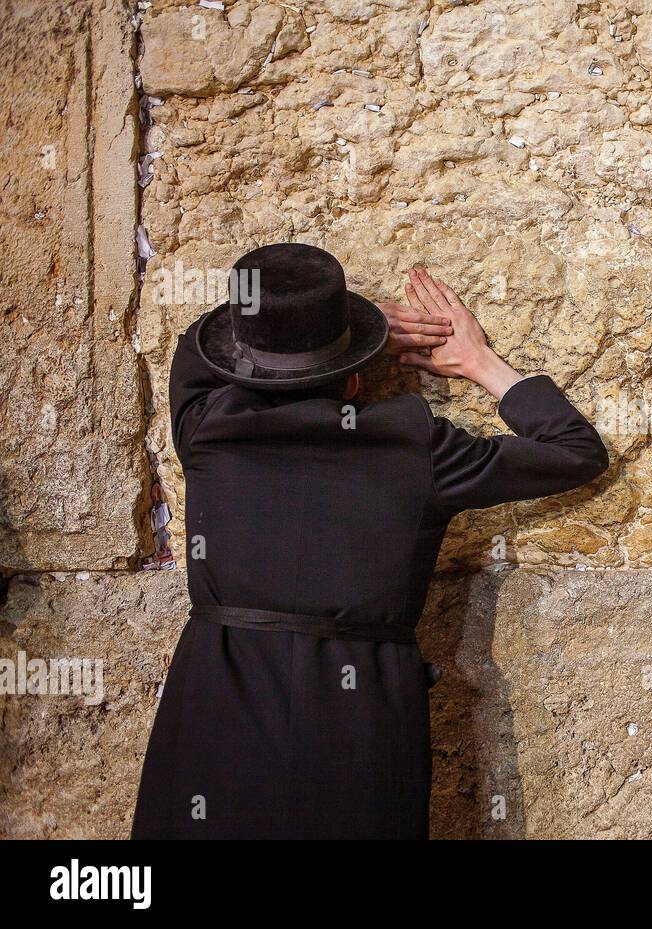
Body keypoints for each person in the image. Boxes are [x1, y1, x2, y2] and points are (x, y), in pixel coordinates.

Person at [132, 243, 607, 838]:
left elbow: (193, 351)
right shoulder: (415, 445)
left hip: (219, 696)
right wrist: (479, 362)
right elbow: (575, 451)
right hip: (356, 714)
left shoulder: (209, 429)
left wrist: (334, 327)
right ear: (355, 375)